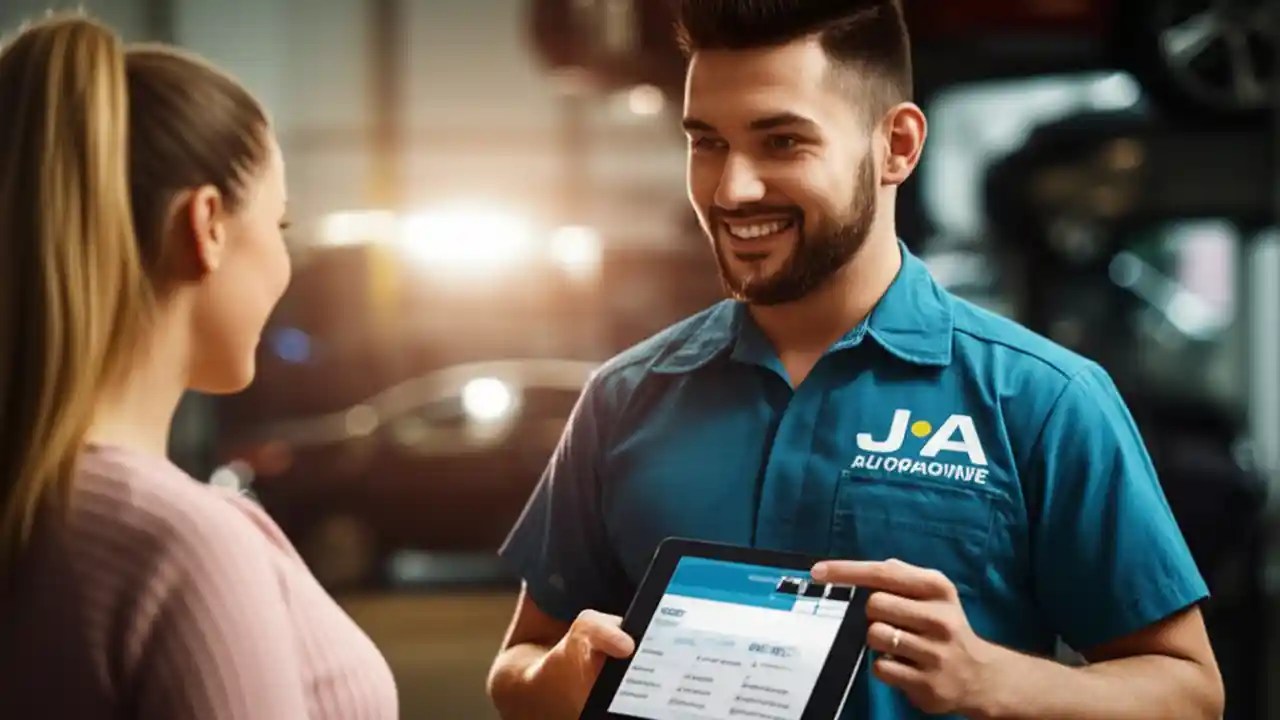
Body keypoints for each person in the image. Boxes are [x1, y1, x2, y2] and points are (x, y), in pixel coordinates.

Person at [486, 1, 1224, 718]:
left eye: (783, 142)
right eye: (707, 142)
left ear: (897, 146)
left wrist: (994, 680)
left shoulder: (1041, 402)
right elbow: (519, 663)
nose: (732, 189)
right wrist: (558, 681)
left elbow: (1188, 693)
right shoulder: (624, 399)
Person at [0, 15, 398, 719]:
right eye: (279, 225)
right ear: (207, 225)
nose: (284, 261)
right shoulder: (175, 548)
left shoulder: (47, 508)